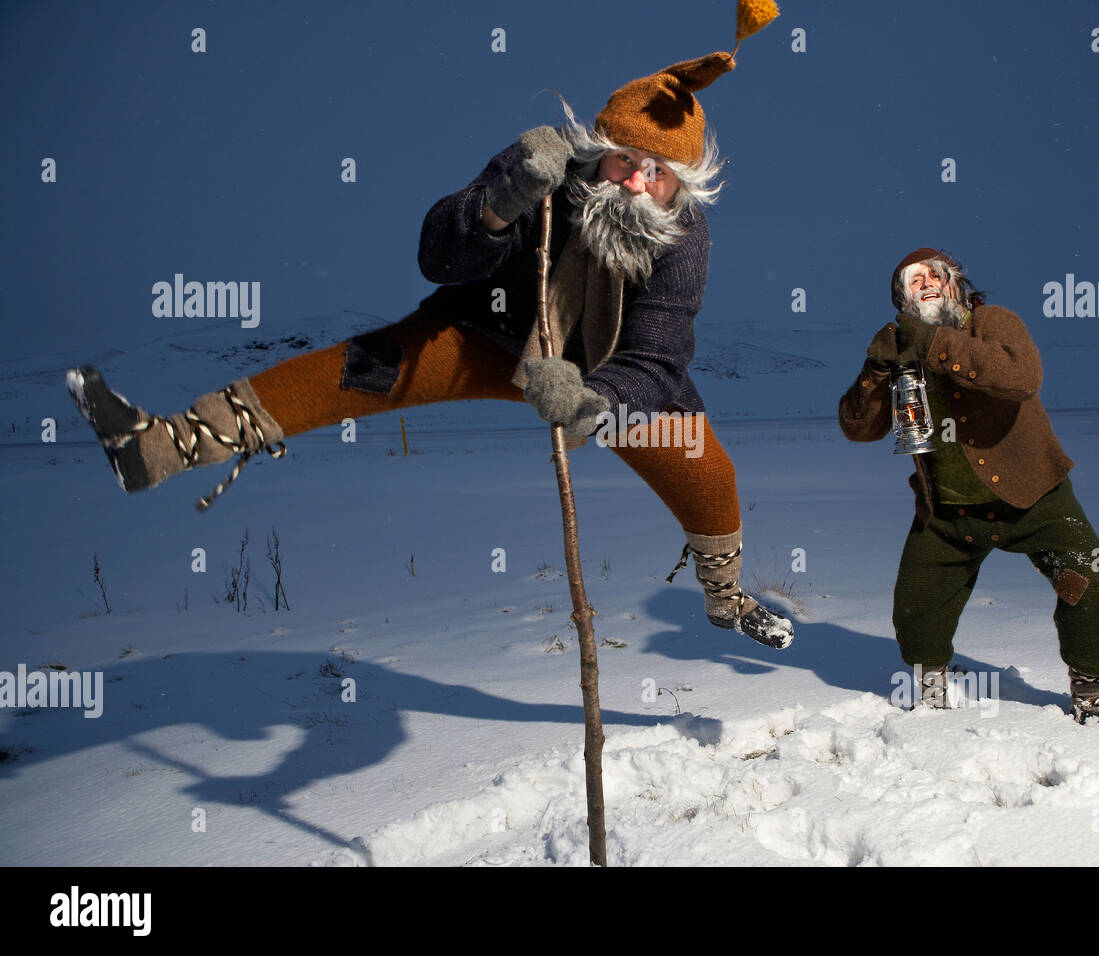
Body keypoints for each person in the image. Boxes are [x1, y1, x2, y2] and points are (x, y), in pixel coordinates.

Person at [66, 39, 794, 650]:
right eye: (625, 158)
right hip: (488, 332)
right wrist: (502, 203)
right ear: (598, 149)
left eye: (658, 171)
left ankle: (726, 599)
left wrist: (598, 403)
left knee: (707, 473)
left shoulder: (685, 240)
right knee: (356, 371)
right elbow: (438, 257)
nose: (636, 180)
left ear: (681, 186)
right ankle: (158, 447)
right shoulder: (536, 165)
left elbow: (659, 356)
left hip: (608, 379)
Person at [838, 248, 1099, 721]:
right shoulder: (904, 348)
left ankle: (1088, 689)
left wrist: (935, 345)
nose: (924, 283)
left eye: (934, 275)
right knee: (916, 610)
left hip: (1035, 501)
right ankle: (932, 690)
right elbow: (858, 428)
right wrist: (876, 371)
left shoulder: (992, 322)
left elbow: (1021, 375)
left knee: (1086, 581)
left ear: (956, 284)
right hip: (948, 515)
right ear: (901, 299)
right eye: (912, 280)